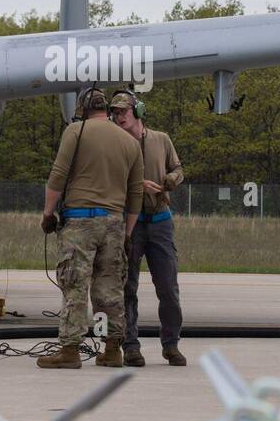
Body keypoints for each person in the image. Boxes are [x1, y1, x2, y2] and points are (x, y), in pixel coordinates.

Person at [37, 88, 143, 369]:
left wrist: (48, 213)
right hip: (114, 224)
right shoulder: (130, 142)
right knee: (109, 289)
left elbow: (58, 176)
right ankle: (111, 350)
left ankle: (70, 350)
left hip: (80, 222)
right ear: (106, 109)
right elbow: (135, 196)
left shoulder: (76, 131)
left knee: (74, 285)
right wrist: (128, 233)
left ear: (82, 107)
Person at [110, 91, 186, 366]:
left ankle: (171, 344)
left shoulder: (161, 140)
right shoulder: (114, 144)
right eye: (115, 113)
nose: (119, 117)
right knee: (127, 287)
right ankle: (130, 345)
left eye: (123, 112)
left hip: (160, 221)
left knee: (168, 286)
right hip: (130, 223)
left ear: (138, 111)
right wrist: (137, 184)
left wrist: (168, 181)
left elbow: (179, 169)